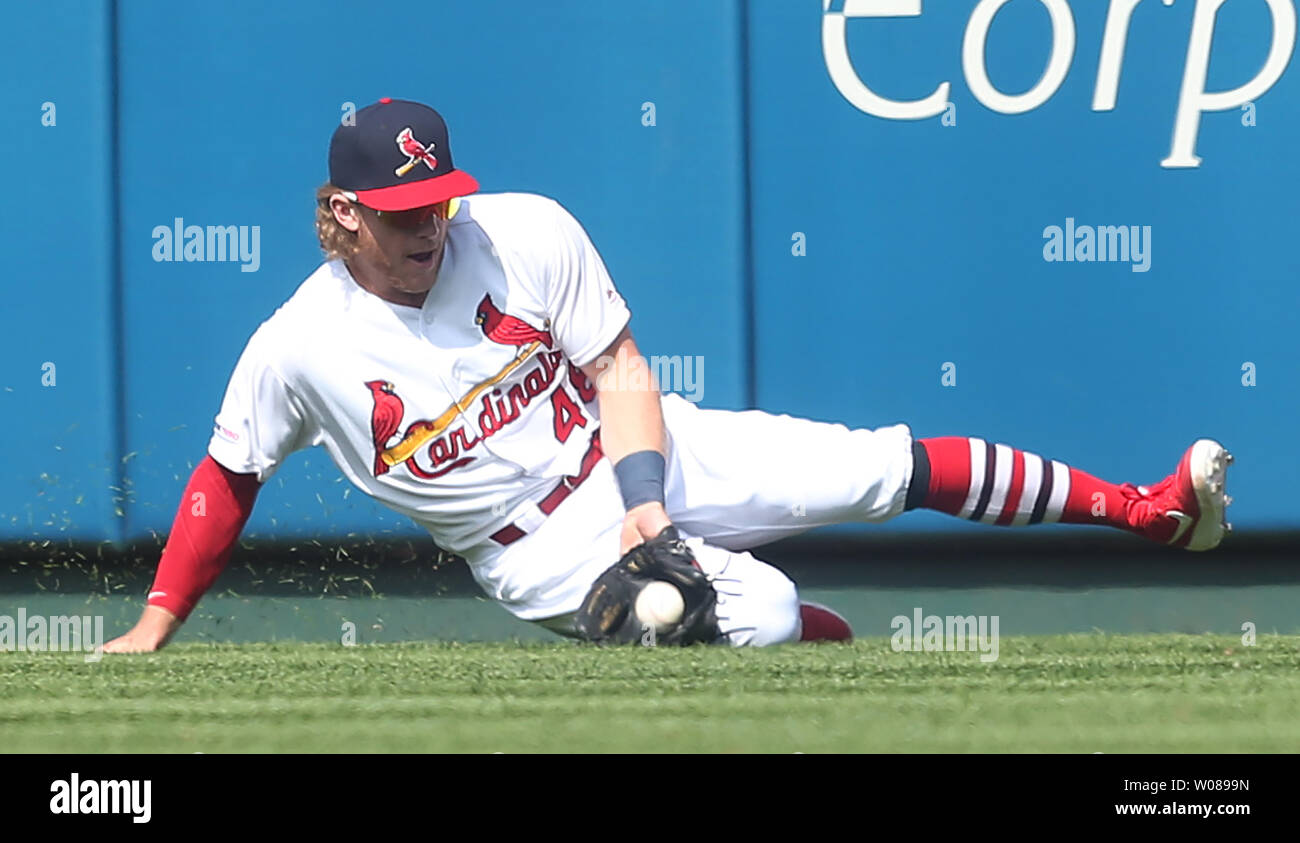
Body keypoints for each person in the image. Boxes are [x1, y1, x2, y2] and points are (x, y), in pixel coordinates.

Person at [104, 98, 1232, 653]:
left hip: (636, 450)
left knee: (886, 466)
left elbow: (622, 368)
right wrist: (158, 622)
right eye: (399, 213)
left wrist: (647, 509)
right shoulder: (297, 346)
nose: (427, 227)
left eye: (436, 201)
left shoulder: (519, 230)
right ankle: (822, 659)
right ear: (342, 214)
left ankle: (1152, 515)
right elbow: (227, 475)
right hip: (536, 551)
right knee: (769, 612)